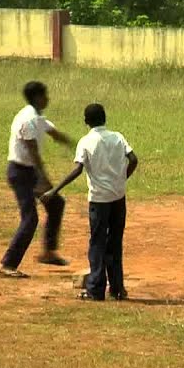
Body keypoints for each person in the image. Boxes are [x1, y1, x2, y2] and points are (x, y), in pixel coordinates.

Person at [42, 104, 137, 301]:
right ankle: (117, 288)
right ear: (105, 118)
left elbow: (78, 170)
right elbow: (133, 159)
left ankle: (95, 289)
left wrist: (55, 190)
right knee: (115, 242)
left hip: (99, 200)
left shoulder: (86, 142)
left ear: (86, 121)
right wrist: (122, 179)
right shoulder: (118, 137)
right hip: (118, 197)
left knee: (97, 243)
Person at [0, 81, 75, 278]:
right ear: (38, 97)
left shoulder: (37, 117)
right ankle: (7, 263)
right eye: (45, 94)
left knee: (56, 203)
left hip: (29, 172)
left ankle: (48, 252)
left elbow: (54, 133)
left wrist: (77, 145)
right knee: (30, 218)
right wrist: (43, 179)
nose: (48, 98)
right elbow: (33, 154)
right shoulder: (28, 119)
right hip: (21, 173)